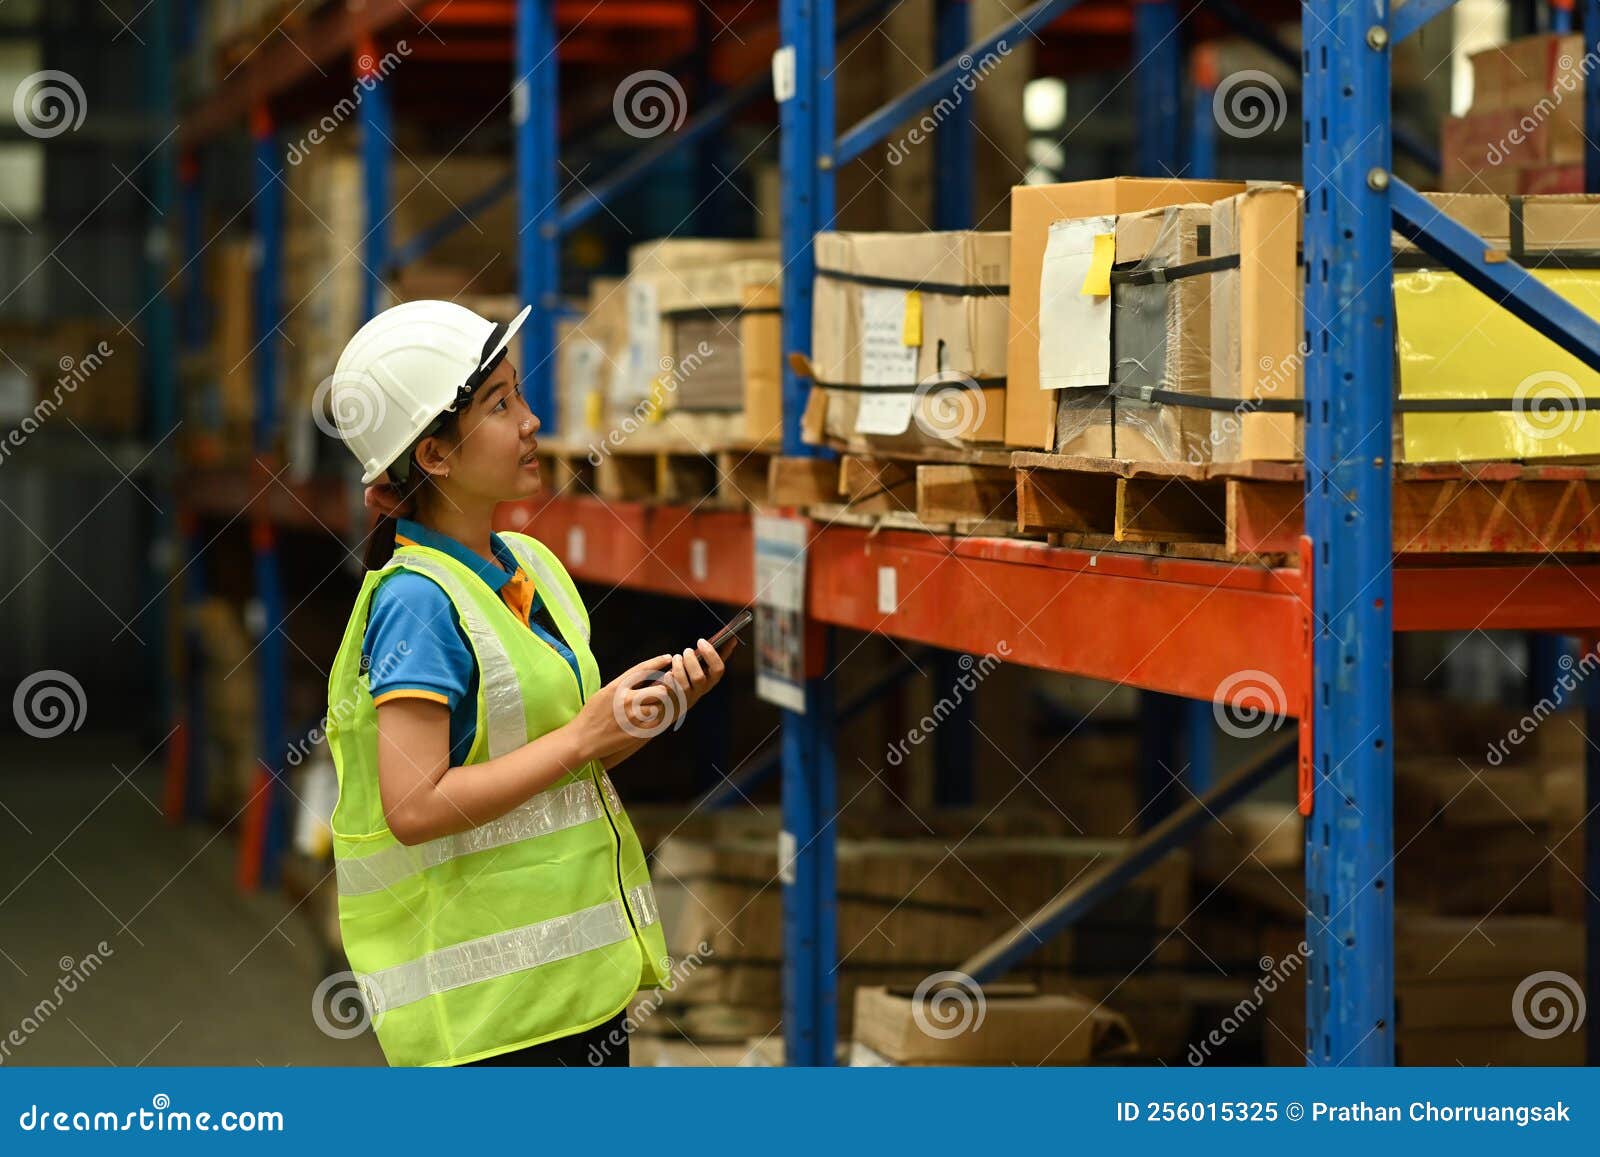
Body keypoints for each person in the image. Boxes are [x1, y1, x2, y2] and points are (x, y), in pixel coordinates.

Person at [320, 300, 730, 1067]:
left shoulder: (528, 565)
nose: (532, 420)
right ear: (435, 456)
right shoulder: (418, 600)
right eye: (500, 405)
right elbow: (413, 806)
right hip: (492, 1024)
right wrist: (584, 736)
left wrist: (631, 722)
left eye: (520, 394)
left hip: (574, 994)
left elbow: (552, 770)